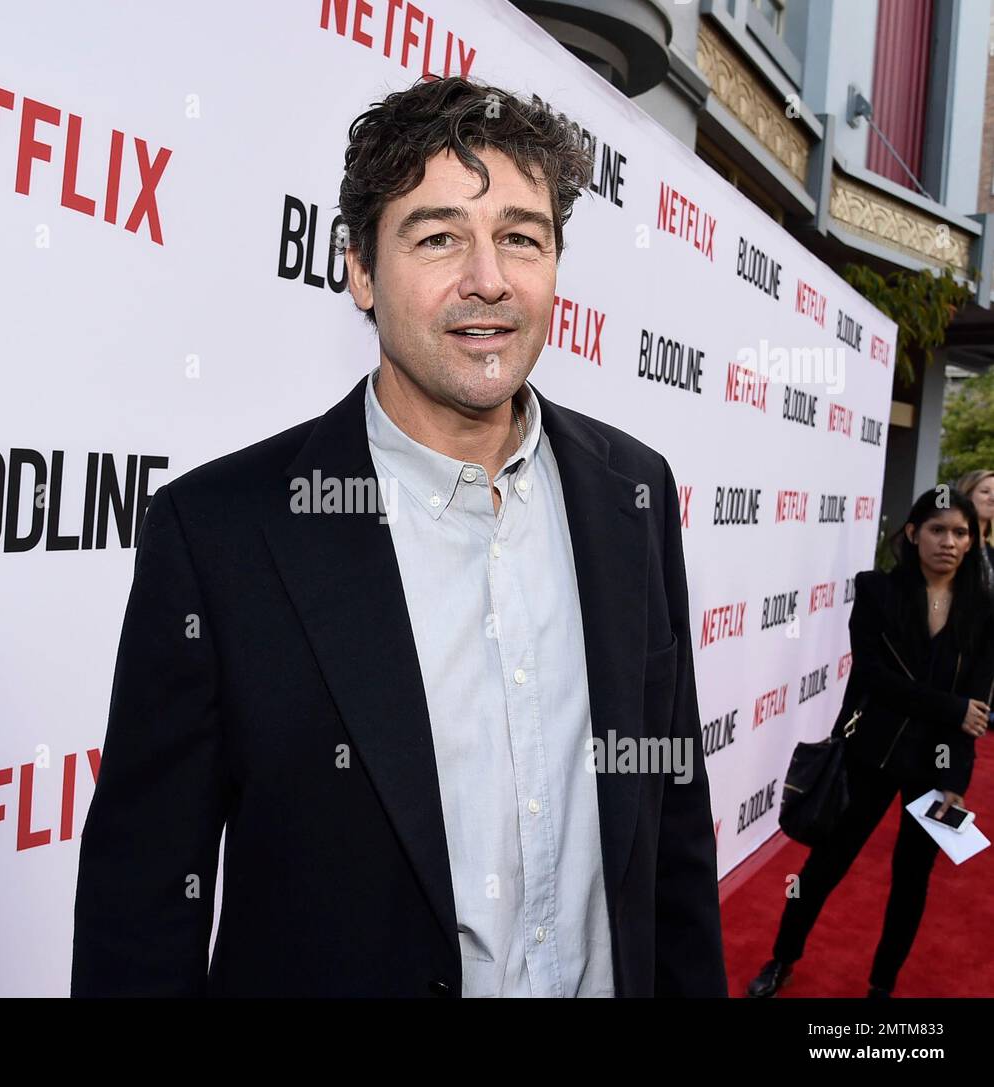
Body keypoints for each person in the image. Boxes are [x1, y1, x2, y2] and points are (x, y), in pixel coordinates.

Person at [71, 76, 727, 998]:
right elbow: (141, 903)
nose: (488, 279)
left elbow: (674, 833)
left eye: (520, 238)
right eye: (438, 236)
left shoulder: (635, 493)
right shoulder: (220, 534)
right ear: (361, 272)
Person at [747, 486, 994, 998]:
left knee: (912, 883)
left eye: (960, 532)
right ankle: (781, 959)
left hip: (934, 766)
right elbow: (877, 678)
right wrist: (950, 707)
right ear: (912, 533)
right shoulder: (877, 592)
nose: (948, 541)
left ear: (974, 541)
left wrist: (956, 782)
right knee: (823, 868)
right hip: (869, 755)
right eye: (937, 529)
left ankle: (882, 986)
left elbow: (975, 711)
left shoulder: (984, 612)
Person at [954, 468, 994, 595]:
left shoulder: (990, 550)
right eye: (985, 491)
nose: (993, 497)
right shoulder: (952, 543)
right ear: (967, 495)